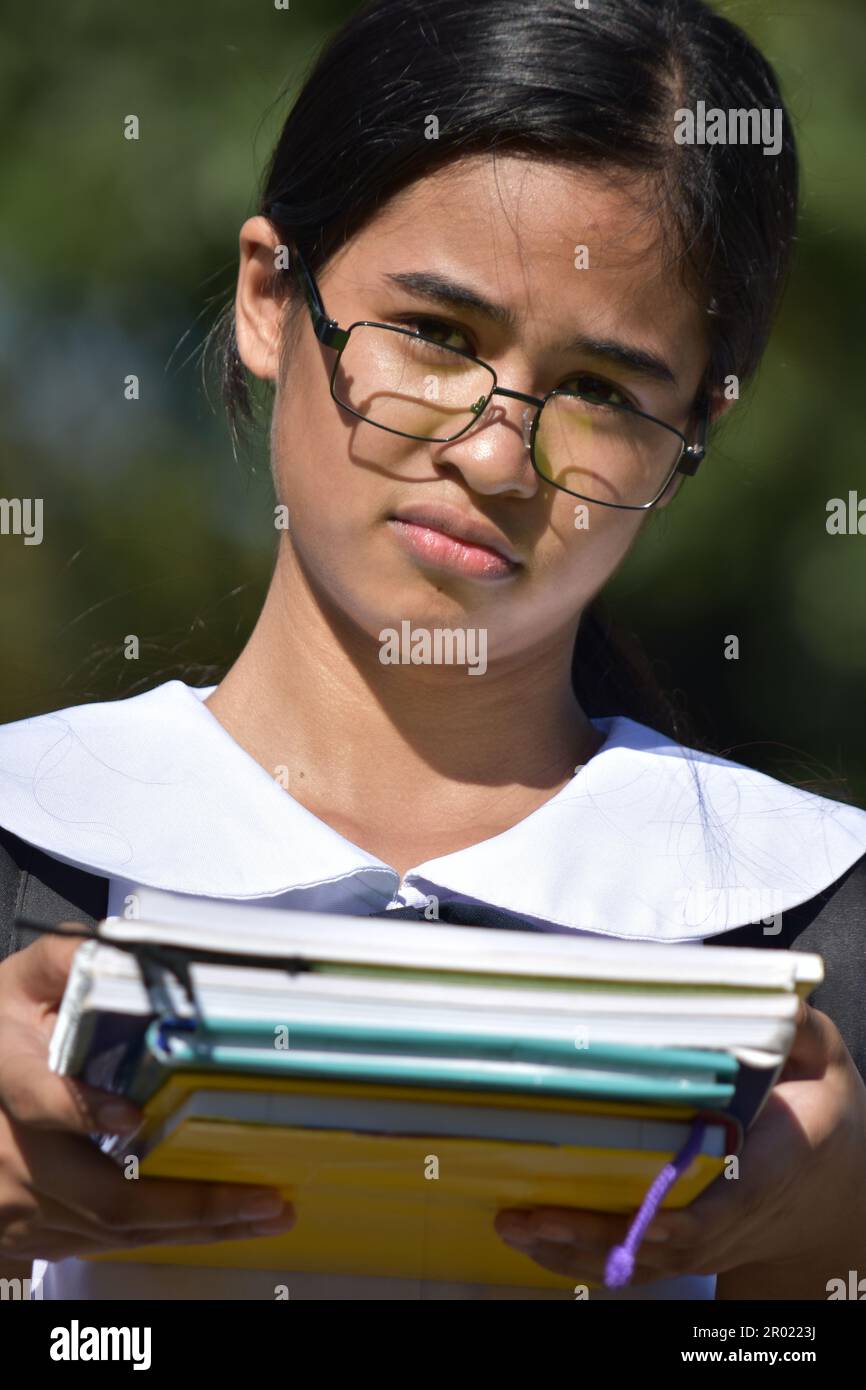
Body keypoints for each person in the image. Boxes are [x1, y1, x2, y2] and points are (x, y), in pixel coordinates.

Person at [1, 0, 865, 1302]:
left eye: (601, 392)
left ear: (693, 436)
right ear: (267, 296)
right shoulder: (31, 833)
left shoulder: (816, 921)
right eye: (438, 337)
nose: (494, 456)